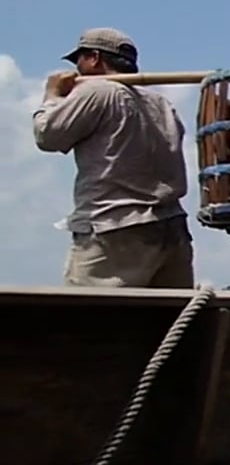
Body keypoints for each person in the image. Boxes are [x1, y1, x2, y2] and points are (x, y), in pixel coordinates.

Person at [32, 28, 196, 288]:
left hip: (114, 228)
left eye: (79, 60)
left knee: (91, 321)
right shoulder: (161, 103)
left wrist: (51, 96)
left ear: (95, 58)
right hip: (171, 230)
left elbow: (48, 136)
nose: (77, 69)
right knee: (165, 324)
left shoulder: (98, 91)